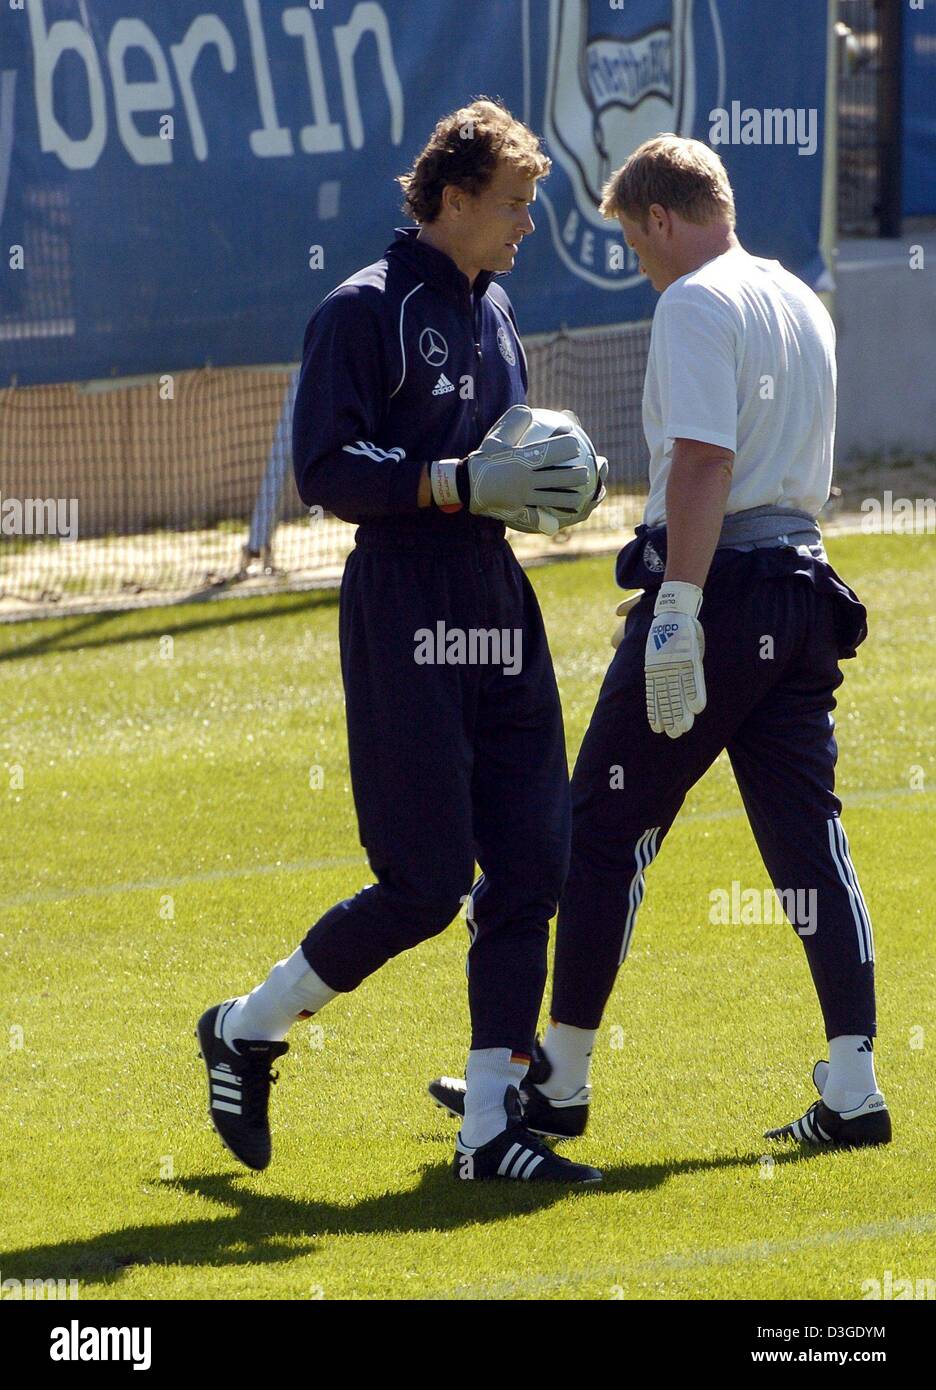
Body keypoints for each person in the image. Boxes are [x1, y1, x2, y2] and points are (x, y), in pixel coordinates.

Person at [431, 134, 890, 1151]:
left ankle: (562, 1074)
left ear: (660, 220)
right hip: (805, 587)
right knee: (810, 841)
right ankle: (854, 1081)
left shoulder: (694, 299)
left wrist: (676, 604)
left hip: (721, 588)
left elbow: (705, 462)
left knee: (601, 825)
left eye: (637, 245)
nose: (641, 266)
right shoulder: (796, 295)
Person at [196, 99, 605, 1185]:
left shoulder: (498, 310)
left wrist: (553, 483)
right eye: (516, 205)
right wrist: (452, 481)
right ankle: (248, 1025)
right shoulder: (359, 310)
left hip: (496, 596)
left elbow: (508, 454)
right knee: (426, 880)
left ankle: (488, 1132)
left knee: (532, 861)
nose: (527, 226)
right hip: (405, 606)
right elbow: (324, 469)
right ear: (455, 199)